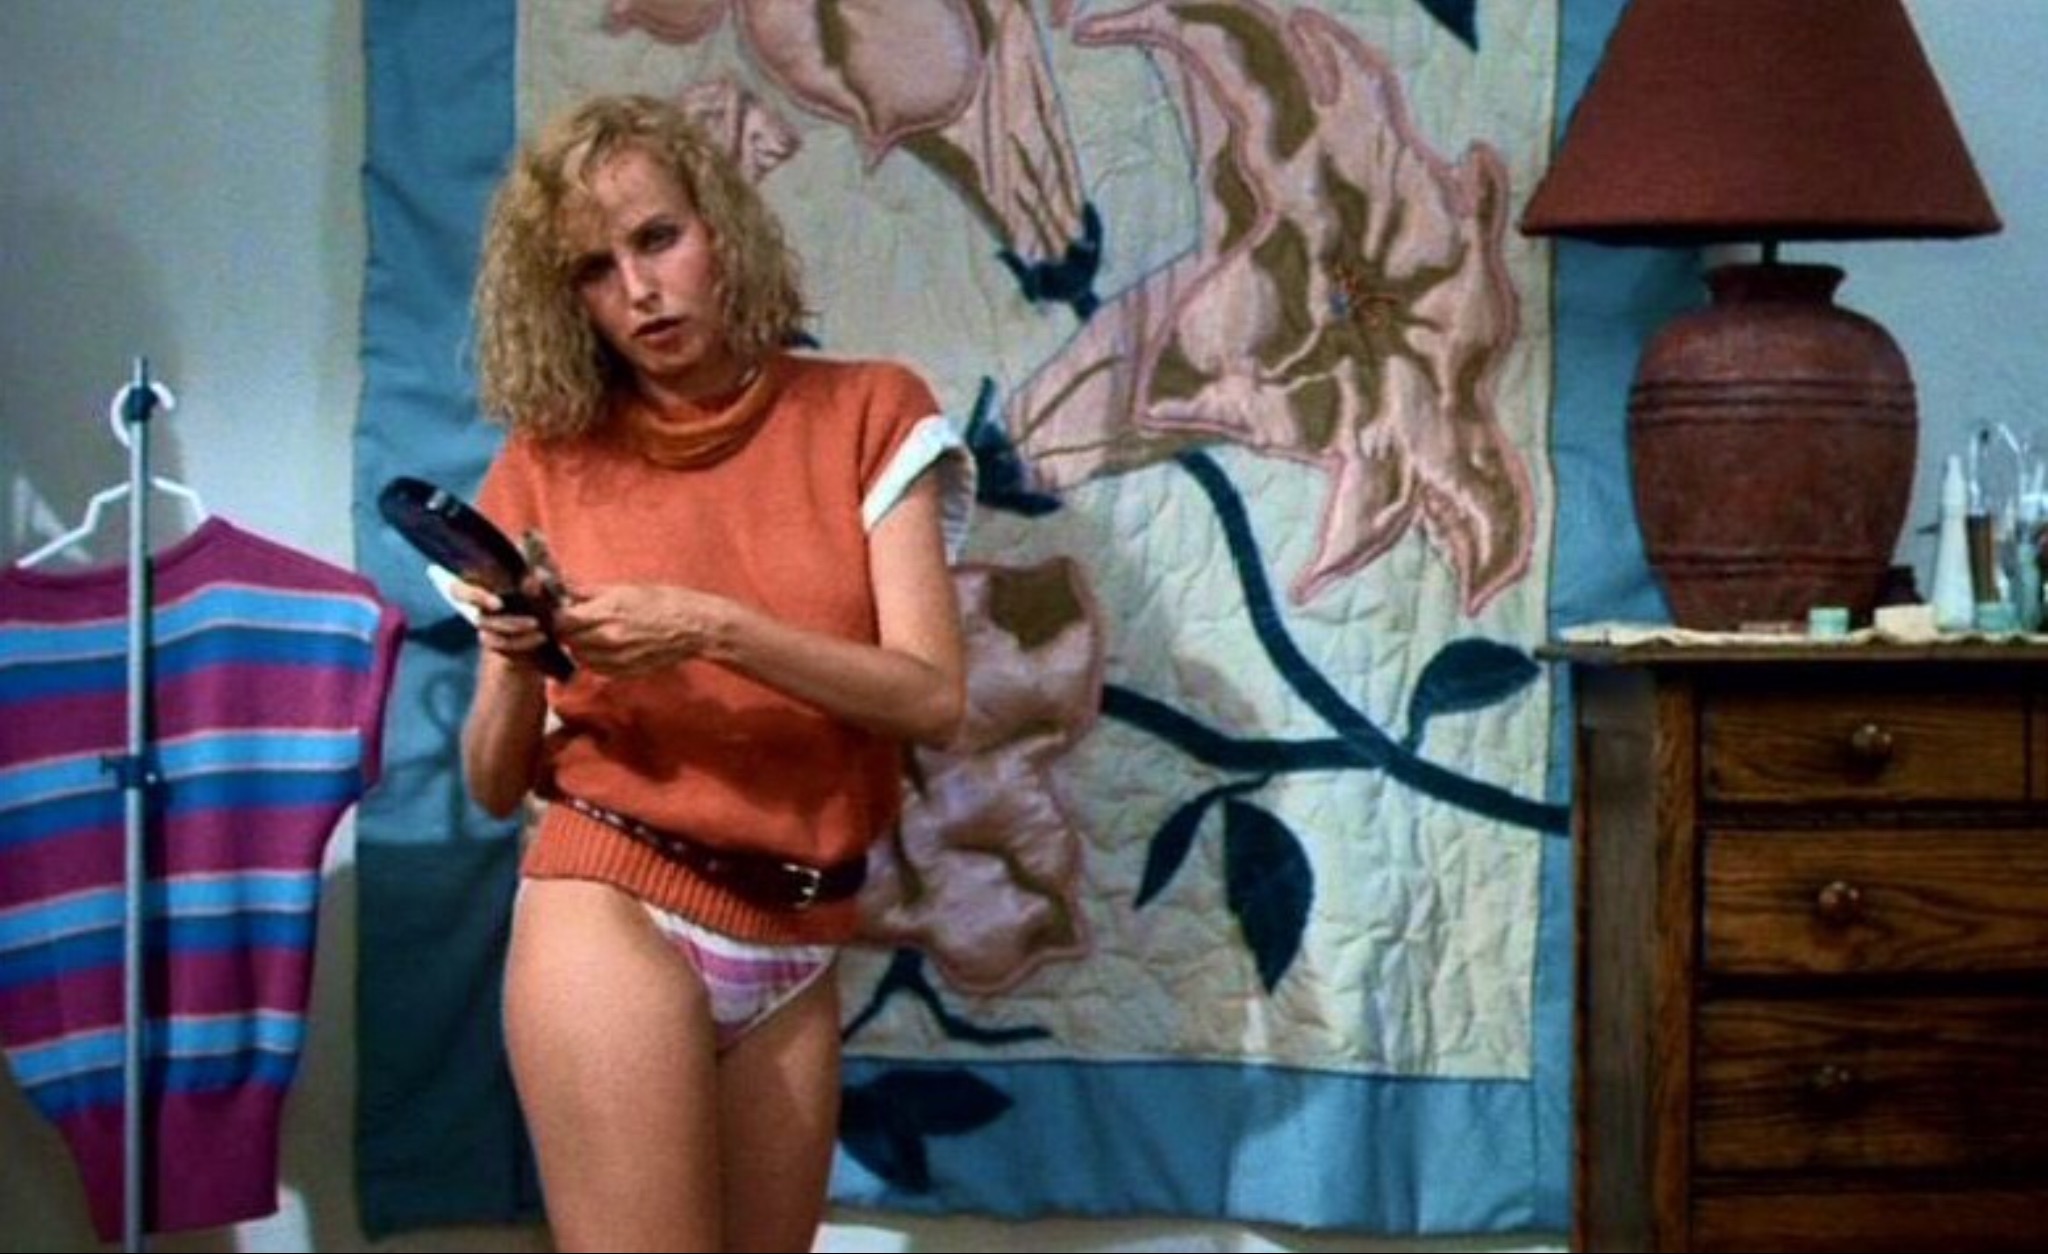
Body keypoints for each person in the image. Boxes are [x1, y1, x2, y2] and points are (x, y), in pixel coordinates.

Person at [454, 92, 970, 1252]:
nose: (638, 290)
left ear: (719, 228)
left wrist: (710, 628)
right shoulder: (544, 463)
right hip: (612, 894)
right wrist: (510, 657)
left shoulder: (868, 412)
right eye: (593, 269)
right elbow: (493, 786)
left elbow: (931, 699)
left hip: (797, 926)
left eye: (657, 238)